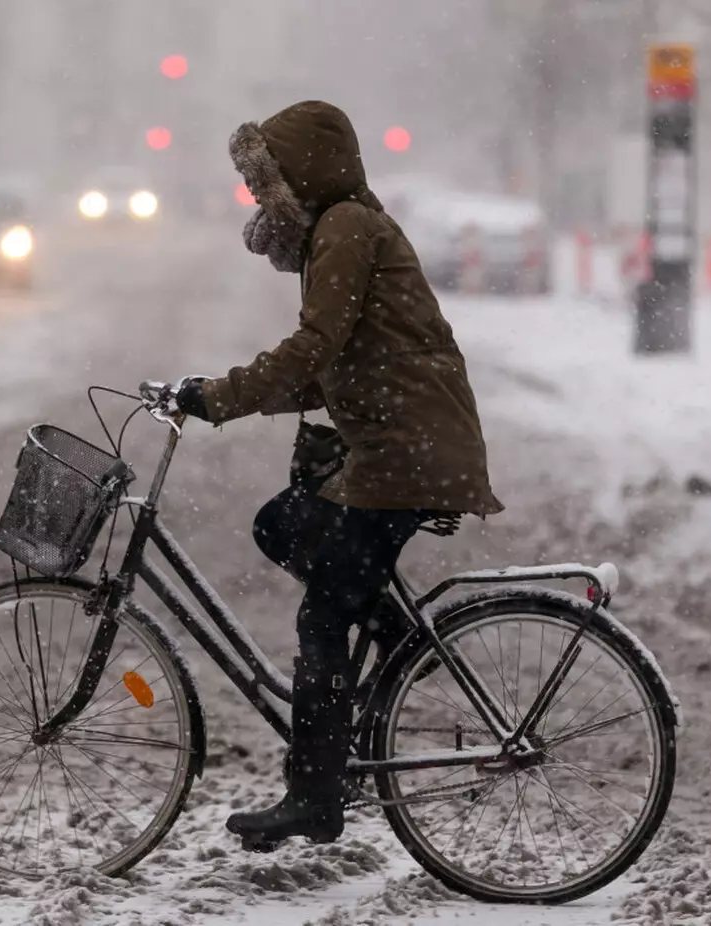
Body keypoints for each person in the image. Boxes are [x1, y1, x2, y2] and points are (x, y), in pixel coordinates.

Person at [174, 101, 504, 850]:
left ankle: (313, 796)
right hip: (399, 442)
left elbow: (315, 343)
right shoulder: (340, 226)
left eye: (265, 180)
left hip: (406, 448)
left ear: (302, 174)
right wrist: (223, 396)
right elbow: (333, 364)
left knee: (324, 613)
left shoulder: (347, 227)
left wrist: (223, 396)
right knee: (282, 523)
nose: (257, 196)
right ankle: (396, 640)